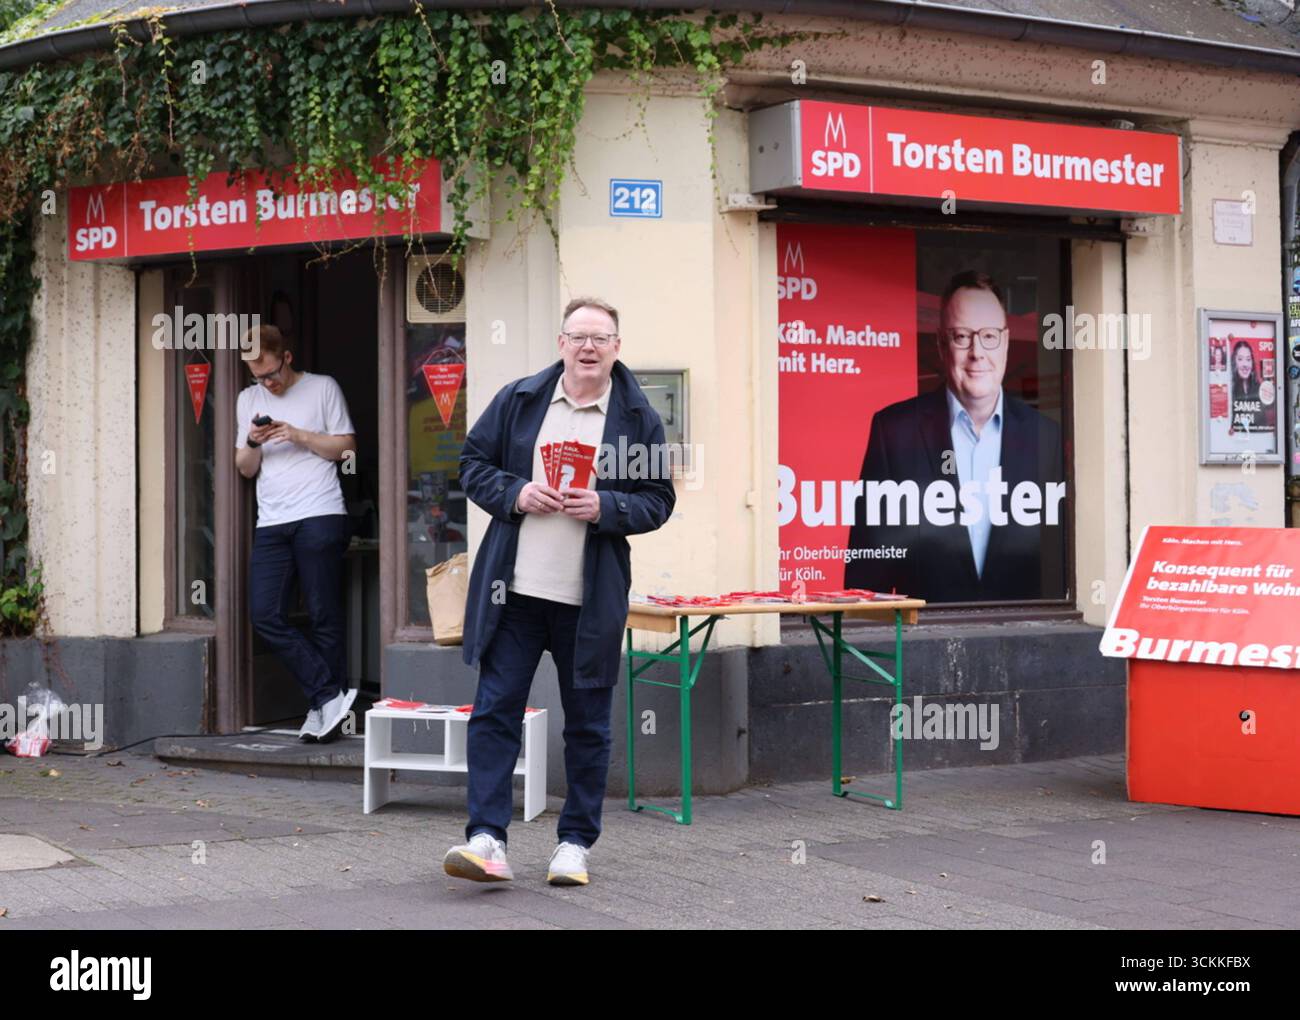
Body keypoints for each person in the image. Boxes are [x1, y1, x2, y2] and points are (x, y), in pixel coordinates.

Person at [443, 297, 675, 886]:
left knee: (587, 725)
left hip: (588, 602)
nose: (589, 347)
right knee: (495, 713)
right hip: (513, 596)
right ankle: (487, 839)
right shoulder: (521, 400)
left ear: (617, 347)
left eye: (601, 338)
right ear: (561, 342)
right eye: (579, 336)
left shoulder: (638, 417)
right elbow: (471, 463)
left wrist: (608, 505)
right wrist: (516, 493)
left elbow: (658, 500)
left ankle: (574, 844)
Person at [845, 270, 1065, 602]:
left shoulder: (1046, 438)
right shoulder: (894, 430)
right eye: (962, 336)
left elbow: (1063, 563)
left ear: (1005, 342)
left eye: (989, 335)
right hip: (924, 640)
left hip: (1025, 635)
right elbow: (865, 578)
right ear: (940, 343)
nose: (977, 351)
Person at [234, 325, 359, 742]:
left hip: (320, 512)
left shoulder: (323, 388)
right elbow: (245, 468)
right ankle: (327, 697)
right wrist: (252, 441)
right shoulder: (248, 399)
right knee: (265, 615)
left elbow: (347, 451)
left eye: (270, 373)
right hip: (271, 519)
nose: (265, 383)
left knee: (324, 614)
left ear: (286, 357)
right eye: (256, 376)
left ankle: (324, 711)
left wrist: (298, 434)